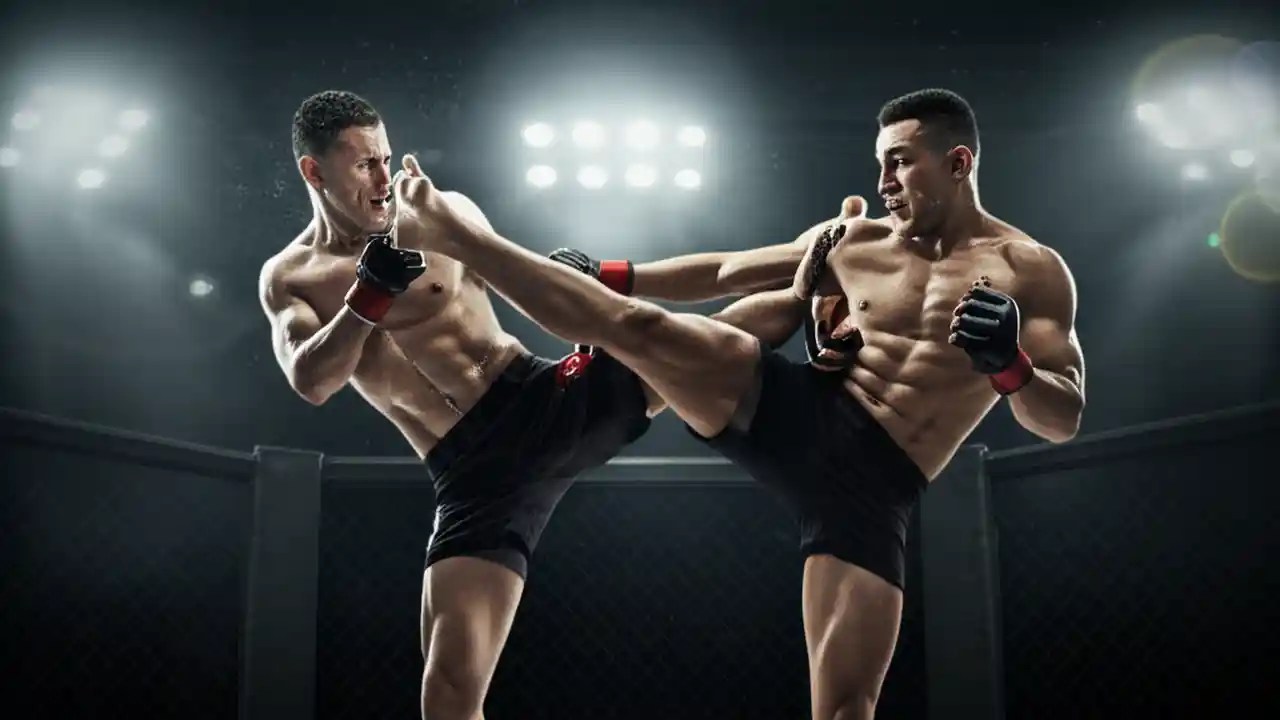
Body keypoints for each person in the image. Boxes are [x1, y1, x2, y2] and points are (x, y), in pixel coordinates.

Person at [388, 87, 1086, 720]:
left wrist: (1012, 365)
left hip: (878, 484)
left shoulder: (1032, 271)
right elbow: (724, 270)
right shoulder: (858, 238)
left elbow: (1062, 417)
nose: (883, 183)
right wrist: (610, 273)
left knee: (845, 707)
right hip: (800, 413)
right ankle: (462, 238)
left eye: (900, 164)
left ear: (958, 161)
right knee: (635, 326)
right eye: (880, 164)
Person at [257, 90, 859, 720]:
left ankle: (820, 278)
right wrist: (368, 295)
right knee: (447, 694)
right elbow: (311, 379)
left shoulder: (438, 214)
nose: (383, 179)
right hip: (470, 473)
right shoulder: (291, 276)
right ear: (314, 171)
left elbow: (518, 281)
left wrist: (586, 291)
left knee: (699, 342)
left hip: (540, 397)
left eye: (385, 159)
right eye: (362, 166)